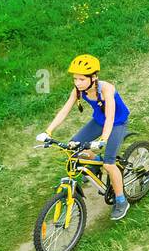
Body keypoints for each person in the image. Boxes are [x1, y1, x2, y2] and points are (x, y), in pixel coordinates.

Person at [37, 54, 132, 220]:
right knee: (74, 146)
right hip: (98, 121)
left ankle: (121, 200)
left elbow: (110, 117)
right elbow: (64, 110)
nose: (77, 83)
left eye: (81, 79)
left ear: (93, 77)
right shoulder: (78, 91)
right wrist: (48, 131)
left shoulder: (106, 89)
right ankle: (95, 165)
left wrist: (103, 139)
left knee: (109, 164)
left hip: (117, 123)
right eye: (75, 79)